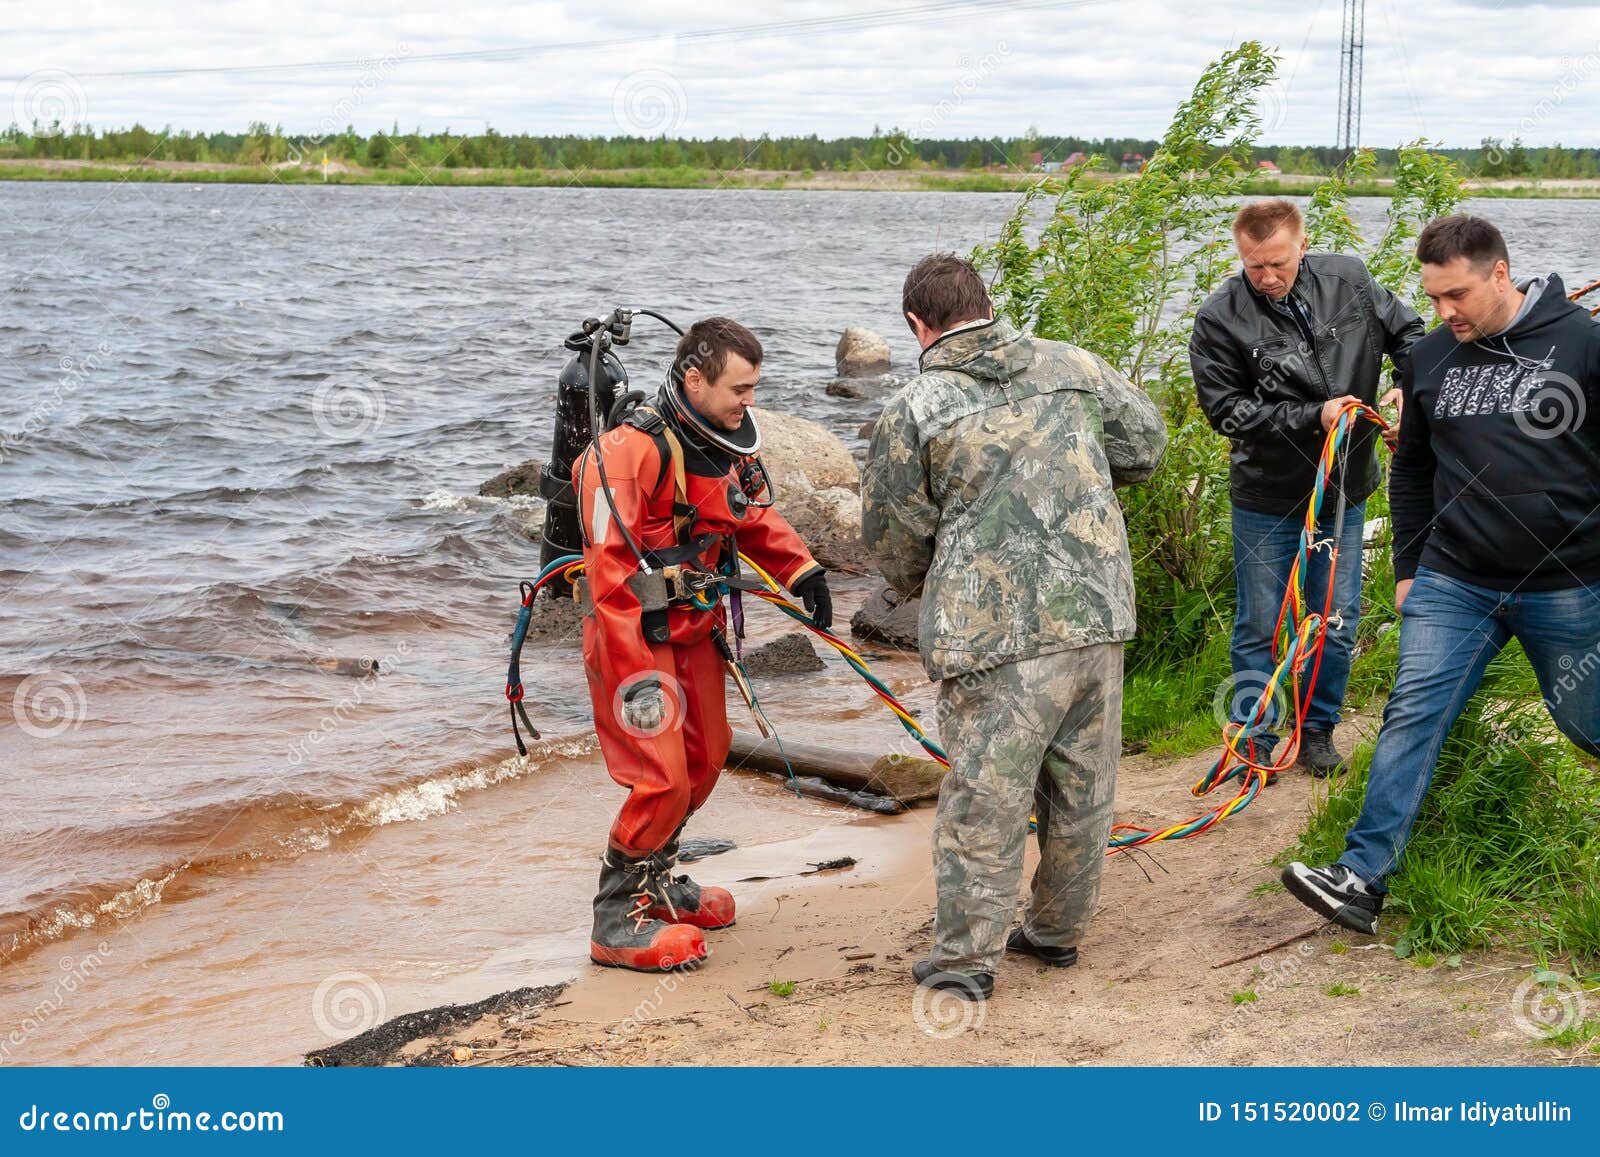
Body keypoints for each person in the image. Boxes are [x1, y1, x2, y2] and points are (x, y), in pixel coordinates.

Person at [862, 254, 1168, 1001]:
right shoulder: (1075, 365)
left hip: (992, 631)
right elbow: (1145, 447)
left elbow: (894, 535)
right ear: (987, 302)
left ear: (916, 323)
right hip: (1097, 612)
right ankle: (1058, 932)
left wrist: (919, 583)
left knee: (985, 795)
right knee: (1083, 783)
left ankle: (965, 960)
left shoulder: (916, 405)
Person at [1282, 214, 1600, 933]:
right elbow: (1414, 471)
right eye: (1433, 298)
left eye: (1457, 294)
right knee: (1413, 713)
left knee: (1589, 724)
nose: (1444, 312)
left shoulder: (1581, 343)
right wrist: (1408, 566)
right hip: (1455, 582)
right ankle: (1360, 877)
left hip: (1568, 583)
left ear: (1499, 273)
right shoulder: (1429, 359)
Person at [575, 317, 832, 972]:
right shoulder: (628, 454)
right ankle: (614, 917)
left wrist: (802, 569)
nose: (749, 401)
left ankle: (655, 878)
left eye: (753, 387)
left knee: (707, 754)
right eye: (739, 388)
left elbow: (749, 515)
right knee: (661, 775)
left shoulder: (722, 446)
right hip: (632, 636)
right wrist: (636, 684)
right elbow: (610, 583)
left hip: (692, 625)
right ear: (695, 378)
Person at [1191, 199, 1424, 777]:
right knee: (1260, 622)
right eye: (1253, 266)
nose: (1267, 278)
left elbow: (1414, 336)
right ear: (1240, 255)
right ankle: (1256, 736)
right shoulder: (1219, 316)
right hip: (1266, 495)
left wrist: (1407, 389)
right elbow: (1224, 411)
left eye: (1278, 263)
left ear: (1303, 245)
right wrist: (1309, 416)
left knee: (1333, 616)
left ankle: (1317, 730)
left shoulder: (1350, 279)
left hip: (1346, 489)